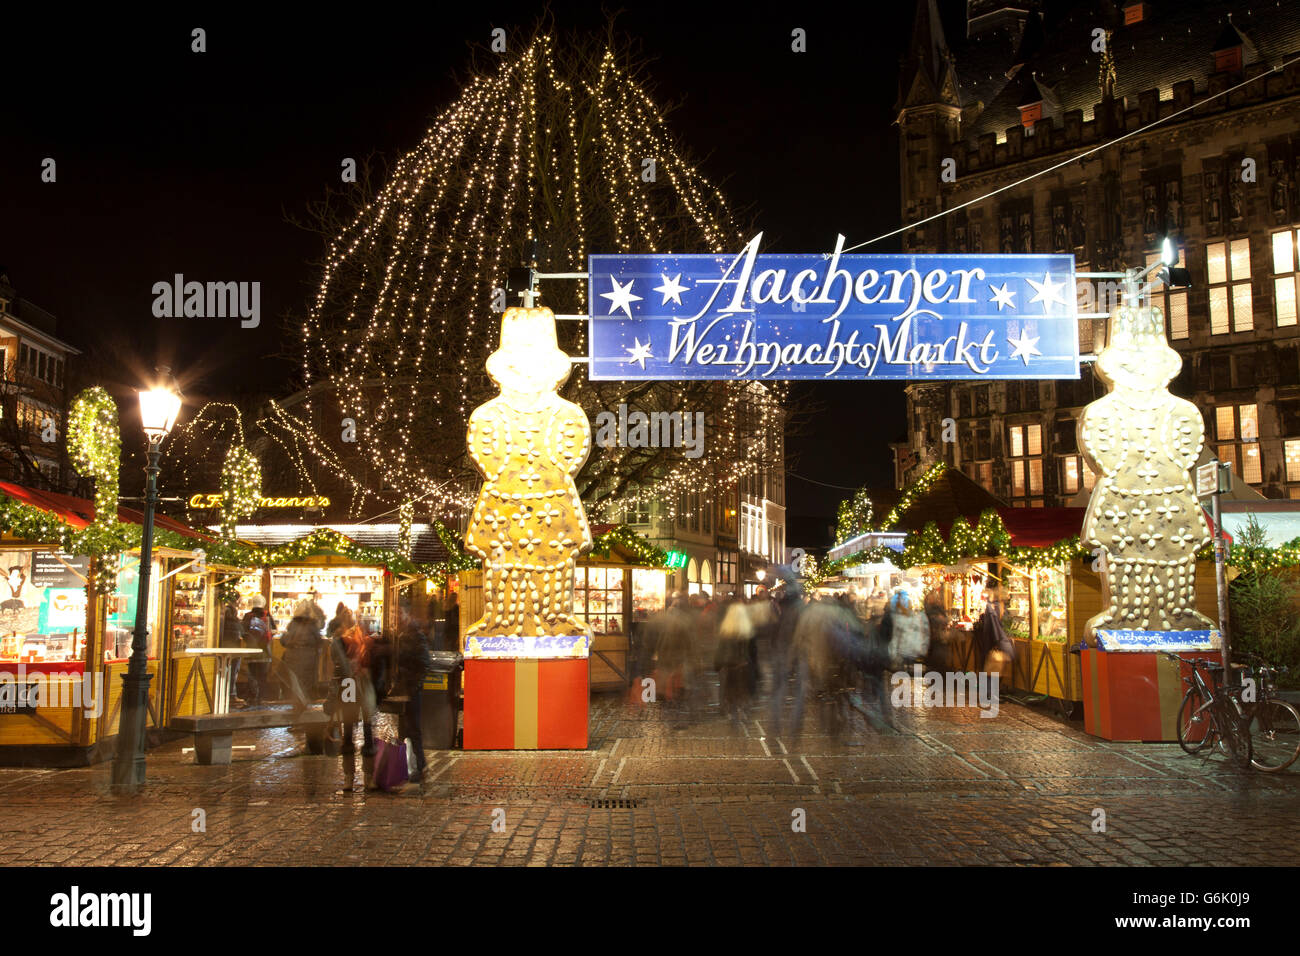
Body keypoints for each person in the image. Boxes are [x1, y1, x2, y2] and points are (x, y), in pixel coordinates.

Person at [331, 605, 377, 756]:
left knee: (349, 711)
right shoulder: (359, 634)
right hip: (361, 677)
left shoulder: (339, 639)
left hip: (347, 680)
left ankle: (348, 744)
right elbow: (367, 653)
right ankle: (368, 744)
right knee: (365, 710)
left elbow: (335, 660)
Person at [395, 614, 434, 780]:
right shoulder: (401, 636)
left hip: (412, 689)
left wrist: (415, 685)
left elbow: (424, 664)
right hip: (403, 689)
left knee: (413, 728)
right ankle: (403, 766)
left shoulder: (417, 638)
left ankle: (420, 765)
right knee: (403, 729)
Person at [281, 599, 324, 711]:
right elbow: (319, 641)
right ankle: (302, 706)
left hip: (293, 656)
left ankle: (298, 707)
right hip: (308, 658)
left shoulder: (293, 624)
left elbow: (284, 640)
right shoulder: (312, 625)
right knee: (305, 683)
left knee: (295, 683)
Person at [241, 599, 271, 707]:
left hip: (252, 650)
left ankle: (252, 697)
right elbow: (273, 630)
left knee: (252, 674)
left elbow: (242, 631)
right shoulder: (267, 614)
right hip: (265, 650)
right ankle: (261, 698)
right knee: (262, 676)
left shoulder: (248, 616)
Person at [219, 597, 246, 708]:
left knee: (224, 673)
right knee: (232, 673)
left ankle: (223, 694)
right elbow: (243, 633)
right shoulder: (235, 622)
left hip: (223, 650)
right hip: (234, 651)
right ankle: (231, 695)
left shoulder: (221, 621)